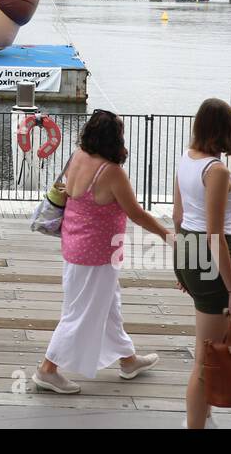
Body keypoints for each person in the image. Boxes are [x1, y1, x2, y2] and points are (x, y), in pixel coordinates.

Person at [33, 110, 170, 393]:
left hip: (75, 246)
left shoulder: (78, 156)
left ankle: (128, 360)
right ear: (114, 138)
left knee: (108, 306)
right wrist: (167, 235)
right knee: (80, 313)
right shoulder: (111, 172)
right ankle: (48, 369)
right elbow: (136, 213)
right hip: (97, 254)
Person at [173, 97, 231, 429]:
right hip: (210, 256)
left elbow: (178, 217)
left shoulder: (186, 159)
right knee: (205, 360)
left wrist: (181, 265)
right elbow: (215, 235)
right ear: (227, 129)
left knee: (207, 347)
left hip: (189, 248)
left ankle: (205, 416)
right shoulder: (216, 170)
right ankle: (194, 424)